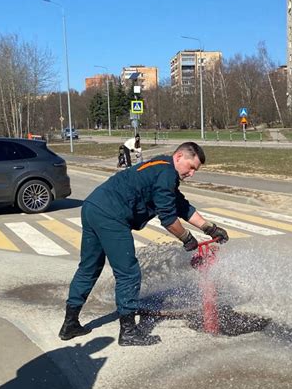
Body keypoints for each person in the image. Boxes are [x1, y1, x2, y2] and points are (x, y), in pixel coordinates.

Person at [59, 142, 229, 345]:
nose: (192, 174)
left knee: (89, 267)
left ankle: (70, 324)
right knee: (128, 273)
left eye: (195, 170)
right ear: (179, 157)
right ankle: (129, 331)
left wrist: (209, 227)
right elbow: (168, 218)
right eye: (191, 167)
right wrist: (187, 239)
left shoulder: (162, 166)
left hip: (93, 206)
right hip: (111, 215)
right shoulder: (167, 174)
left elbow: (180, 205)